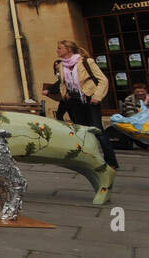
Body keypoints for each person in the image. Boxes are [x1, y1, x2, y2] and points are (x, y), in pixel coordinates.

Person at [45, 39, 119, 169]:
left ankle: (111, 161)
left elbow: (103, 80)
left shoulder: (86, 62)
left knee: (97, 130)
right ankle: (88, 159)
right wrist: (64, 93)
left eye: (60, 48)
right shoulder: (62, 65)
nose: (57, 50)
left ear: (68, 49)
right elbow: (62, 82)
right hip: (74, 100)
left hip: (89, 99)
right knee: (81, 131)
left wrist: (97, 96)